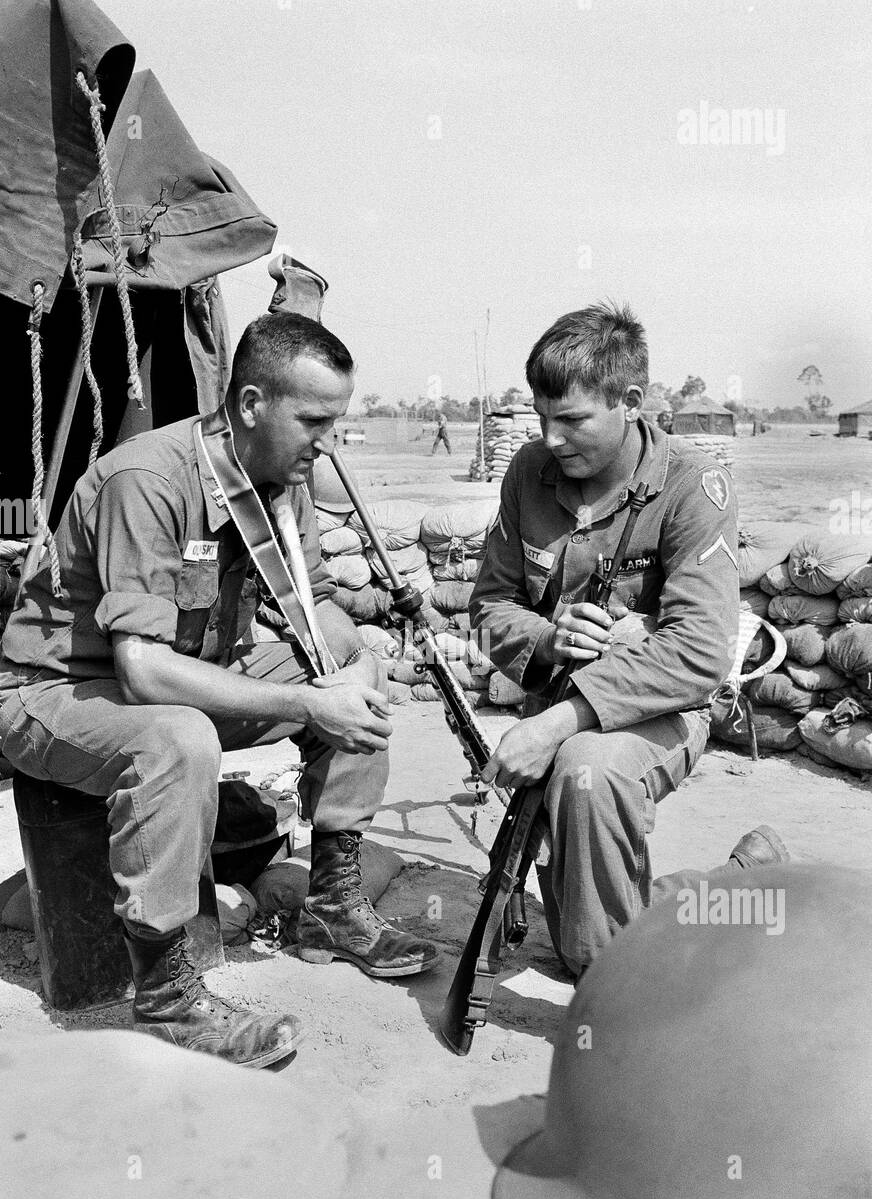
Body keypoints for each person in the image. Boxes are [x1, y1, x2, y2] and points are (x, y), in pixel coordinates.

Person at [0, 312, 438, 1069]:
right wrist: (306, 704)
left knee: (342, 669)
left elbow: (319, 610)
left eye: (338, 419)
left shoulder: (279, 480)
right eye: (313, 419)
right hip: (54, 691)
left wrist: (356, 668)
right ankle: (167, 991)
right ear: (249, 405)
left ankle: (332, 905)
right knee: (179, 736)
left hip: (172, 680)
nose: (328, 441)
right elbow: (142, 669)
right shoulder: (148, 481)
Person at [471, 301, 788, 979]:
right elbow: (490, 605)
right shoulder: (528, 473)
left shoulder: (694, 488)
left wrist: (558, 723)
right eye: (541, 419)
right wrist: (549, 639)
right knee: (585, 924)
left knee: (590, 772)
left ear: (632, 402)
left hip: (663, 711)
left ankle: (611, 977)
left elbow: (701, 654)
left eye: (573, 420)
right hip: (555, 705)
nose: (551, 440)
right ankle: (738, 883)